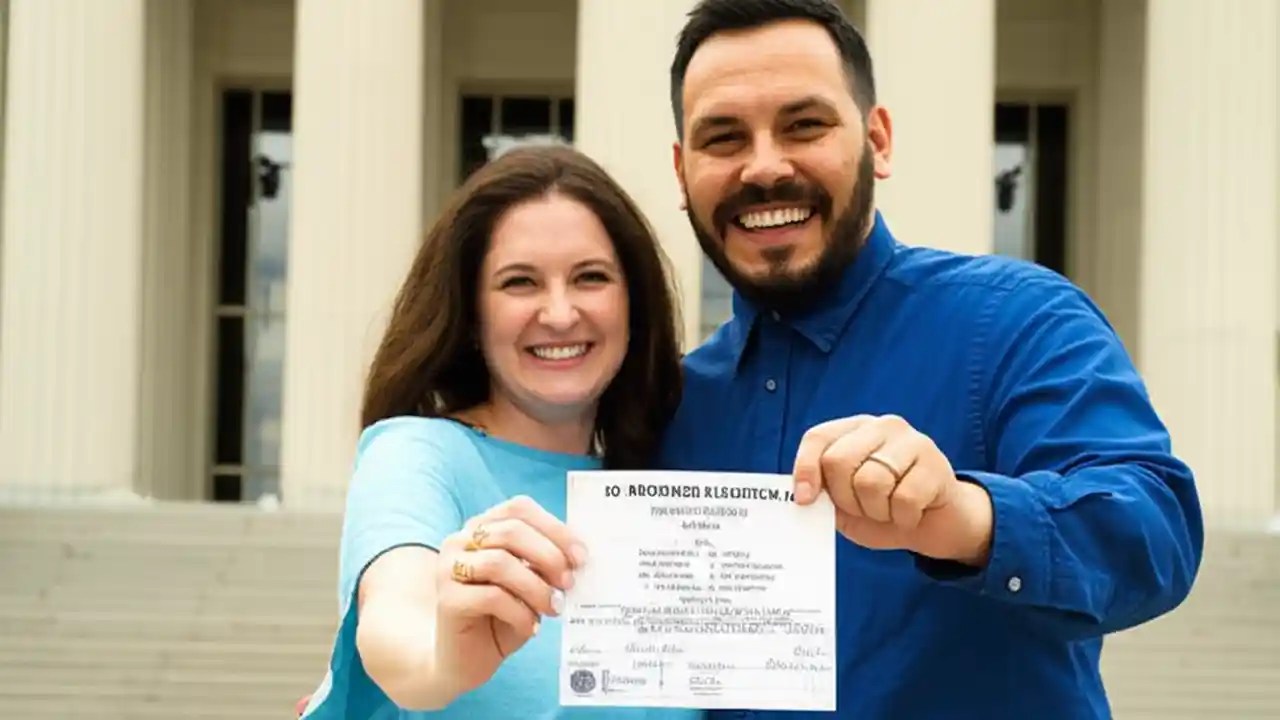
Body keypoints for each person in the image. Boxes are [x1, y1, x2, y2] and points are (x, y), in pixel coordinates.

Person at [658, 1, 1204, 718]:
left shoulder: (1018, 320)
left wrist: (962, 516)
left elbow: (1156, 529)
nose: (764, 167)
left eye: (805, 125)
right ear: (681, 170)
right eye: (723, 138)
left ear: (877, 141)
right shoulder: (671, 406)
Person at [298, 145, 694, 719]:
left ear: (633, 303)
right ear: (472, 313)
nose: (559, 314)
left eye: (590, 278)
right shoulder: (415, 455)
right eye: (520, 283)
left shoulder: (662, 488)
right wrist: (444, 658)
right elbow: (394, 623)